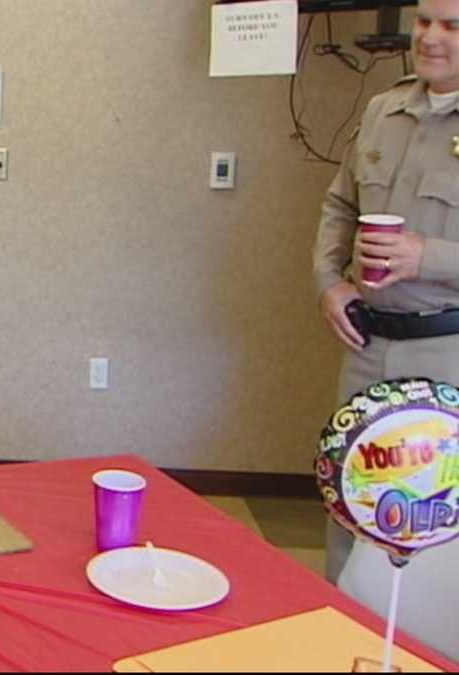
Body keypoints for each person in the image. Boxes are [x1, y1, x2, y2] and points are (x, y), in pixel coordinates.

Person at [312, 0, 459, 660]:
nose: (429, 37)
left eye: (452, 26)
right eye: (425, 20)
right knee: (350, 506)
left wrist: (427, 255)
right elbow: (340, 203)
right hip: (368, 347)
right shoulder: (384, 108)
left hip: (446, 352)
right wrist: (329, 283)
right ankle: (339, 645)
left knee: (431, 529)